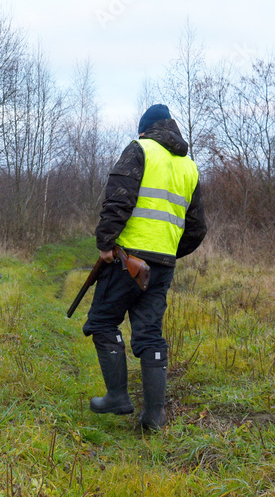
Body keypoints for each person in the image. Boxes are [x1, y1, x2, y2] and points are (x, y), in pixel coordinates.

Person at [83, 104, 207, 430]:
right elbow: (197, 229)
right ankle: (153, 417)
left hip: (127, 259)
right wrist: (167, 253)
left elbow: (118, 197)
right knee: (150, 334)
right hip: (162, 265)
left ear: (145, 129)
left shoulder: (140, 149)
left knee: (102, 321)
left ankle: (118, 397)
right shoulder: (189, 167)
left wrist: (106, 243)